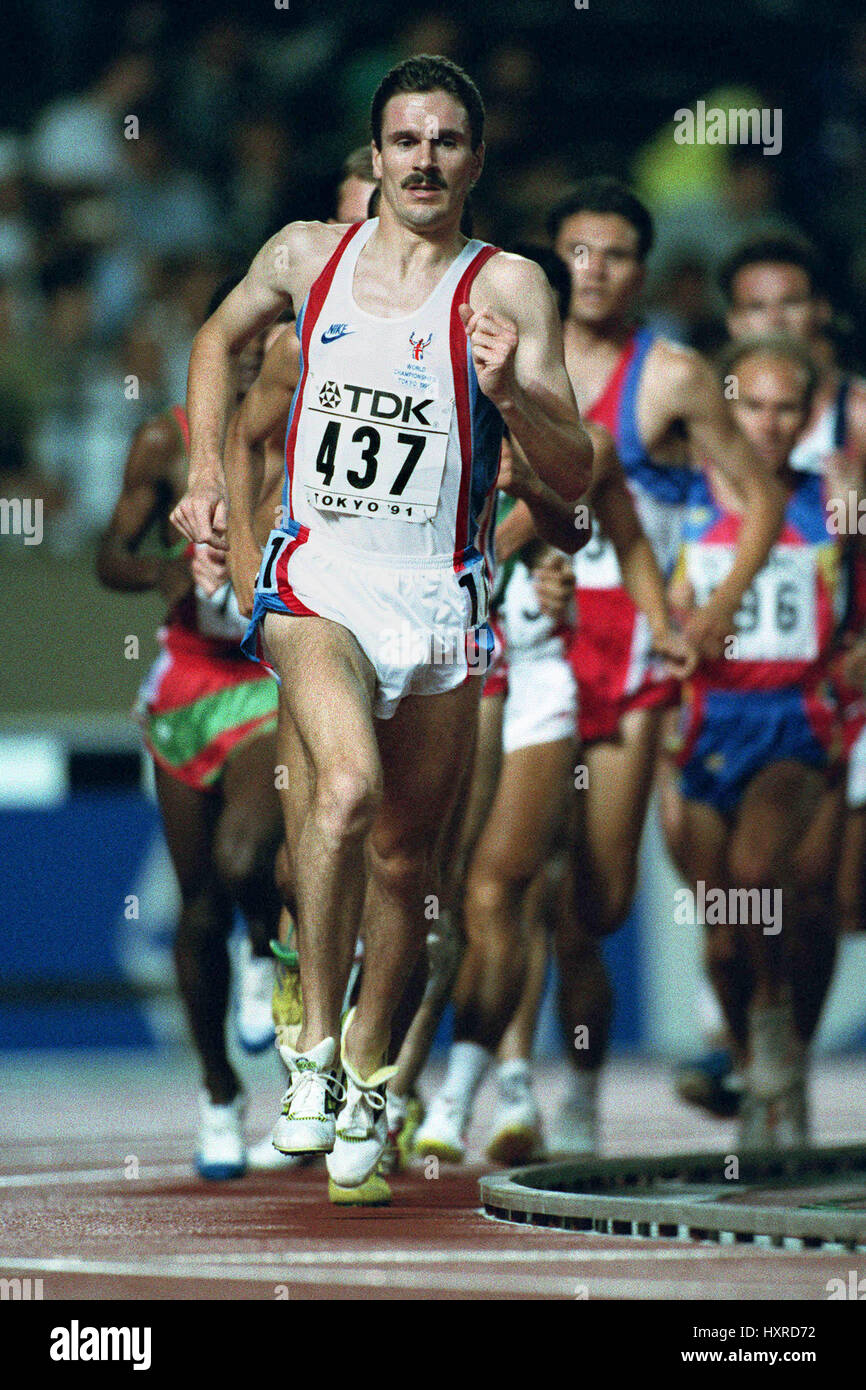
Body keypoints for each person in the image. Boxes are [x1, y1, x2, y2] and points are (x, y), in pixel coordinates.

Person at [170, 54, 593, 1191]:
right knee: (343, 790)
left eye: (445, 141)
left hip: (439, 601)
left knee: (409, 864)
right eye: (403, 140)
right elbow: (216, 339)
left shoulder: (507, 290)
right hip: (320, 580)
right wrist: (207, 473)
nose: (423, 159)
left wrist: (512, 399)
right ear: (374, 155)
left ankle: (366, 1073)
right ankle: (307, 1053)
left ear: (474, 160)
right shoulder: (309, 255)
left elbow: (575, 475)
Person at [545, 177, 784, 1151]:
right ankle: (530, 1084)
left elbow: (760, 500)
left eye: (612, 254)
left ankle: (578, 1081)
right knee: (499, 871)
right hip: (523, 634)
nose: (591, 271)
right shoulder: (508, 355)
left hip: (635, 641)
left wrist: (710, 612)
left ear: (643, 271)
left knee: (594, 898)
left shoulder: (674, 375)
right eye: (574, 252)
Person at [670, 235, 866, 1118]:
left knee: (784, 884)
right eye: (754, 407)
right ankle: (753, 1058)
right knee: (721, 930)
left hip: (802, 717)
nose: (773, 423)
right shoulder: (685, 490)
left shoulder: (837, 482)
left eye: (787, 409)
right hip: (705, 724)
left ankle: (781, 1039)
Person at [96, 278, 283, 1179]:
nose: (252, 364)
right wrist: (167, 577)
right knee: (197, 901)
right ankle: (217, 1090)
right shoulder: (166, 442)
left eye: (269, 347)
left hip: (273, 684)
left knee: (249, 859)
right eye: (235, 350)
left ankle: (267, 950)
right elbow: (109, 556)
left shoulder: (309, 441)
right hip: (187, 689)